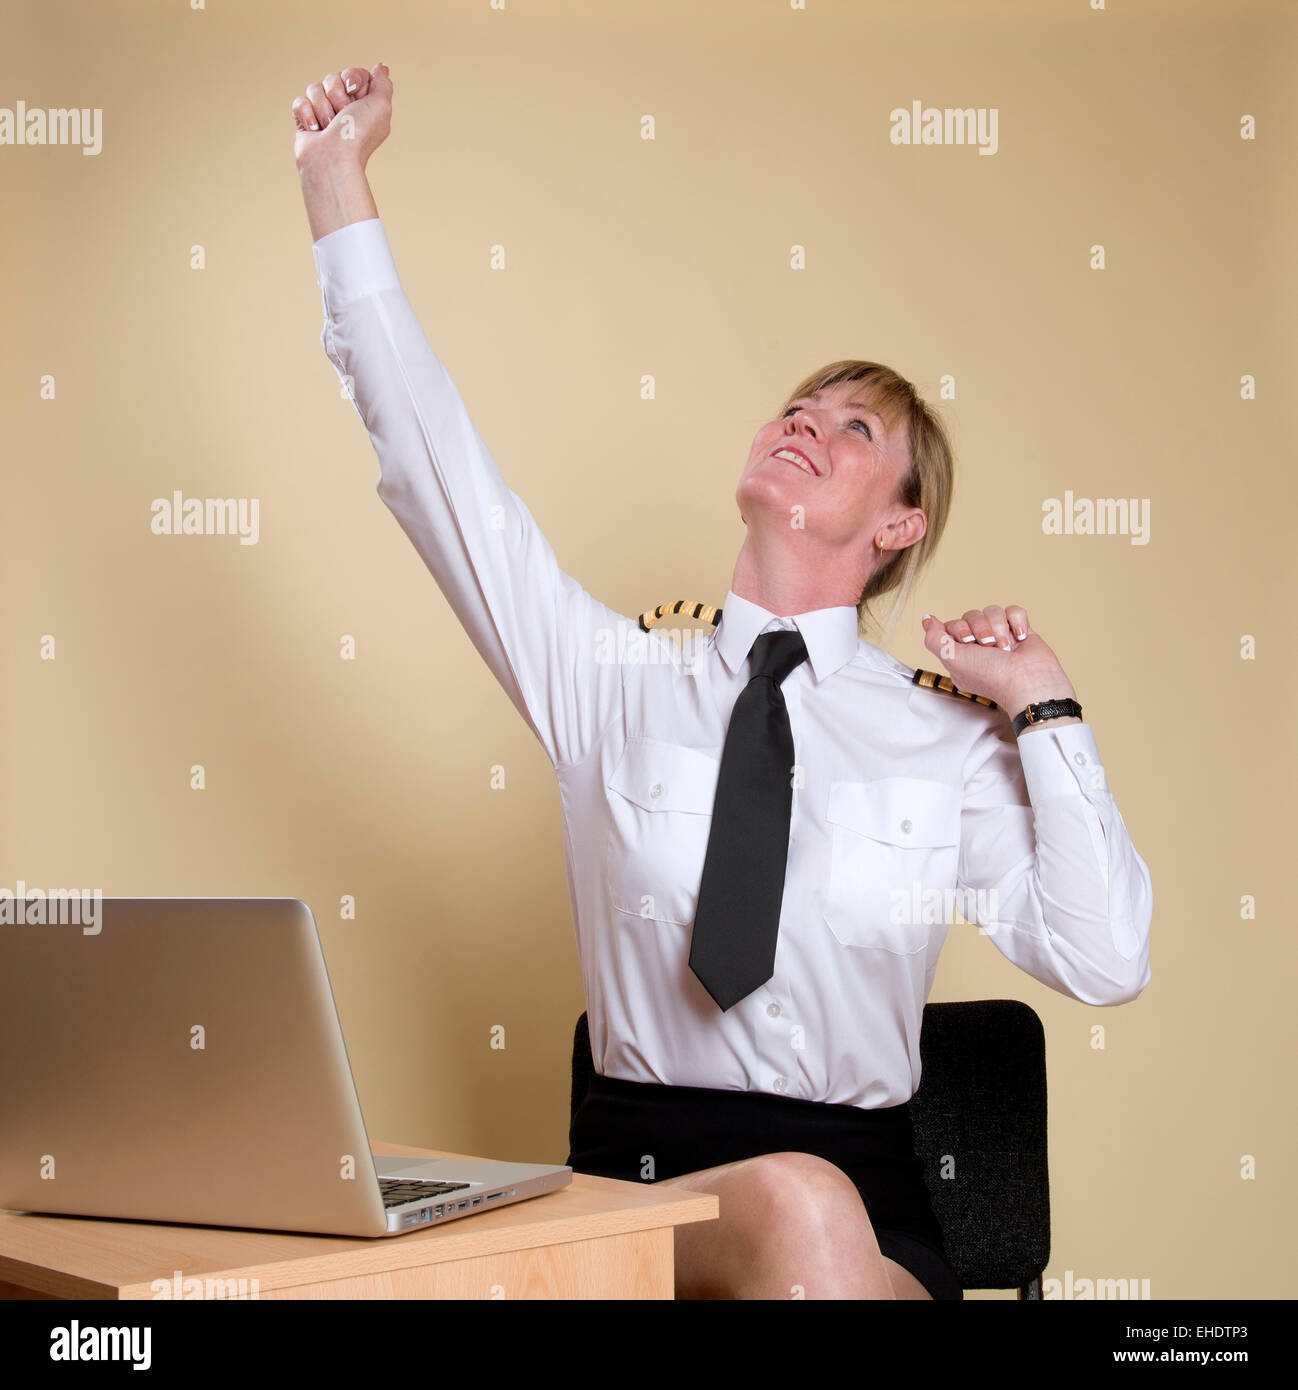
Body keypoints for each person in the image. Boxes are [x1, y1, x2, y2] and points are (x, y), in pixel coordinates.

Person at [291, 62, 1153, 1301]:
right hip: (635, 1196)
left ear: (900, 529)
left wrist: (1043, 708)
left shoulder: (944, 740)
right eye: (799, 404)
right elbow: (438, 472)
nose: (805, 420)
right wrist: (337, 186)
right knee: (787, 1210)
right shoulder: (607, 677)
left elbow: (1104, 953)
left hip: (870, 1208)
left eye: (855, 428)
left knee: (815, 1215)